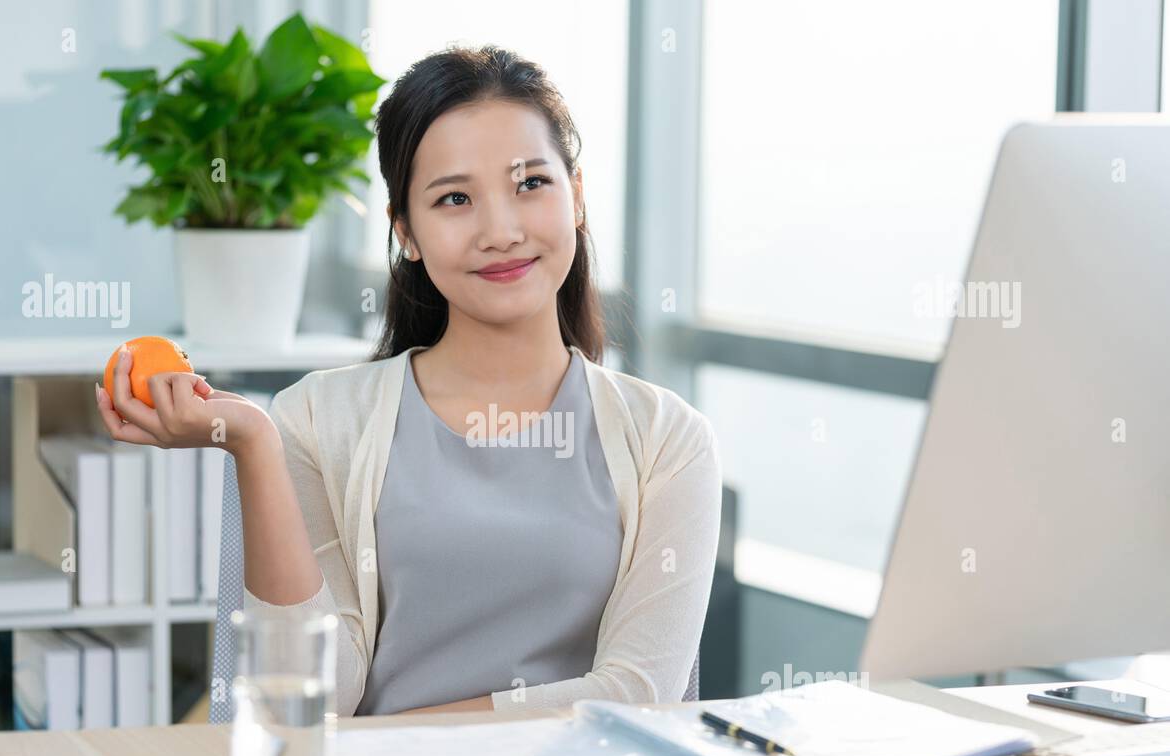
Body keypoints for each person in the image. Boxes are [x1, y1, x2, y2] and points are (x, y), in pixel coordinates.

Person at [96, 45, 722, 717]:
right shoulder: (311, 421)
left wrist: (382, 738)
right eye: (455, 198)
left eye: (531, 184)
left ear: (576, 198)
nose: (501, 230)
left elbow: (637, 695)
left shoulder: (668, 439)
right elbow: (304, 702)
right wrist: (252, 442)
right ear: (407, 233)